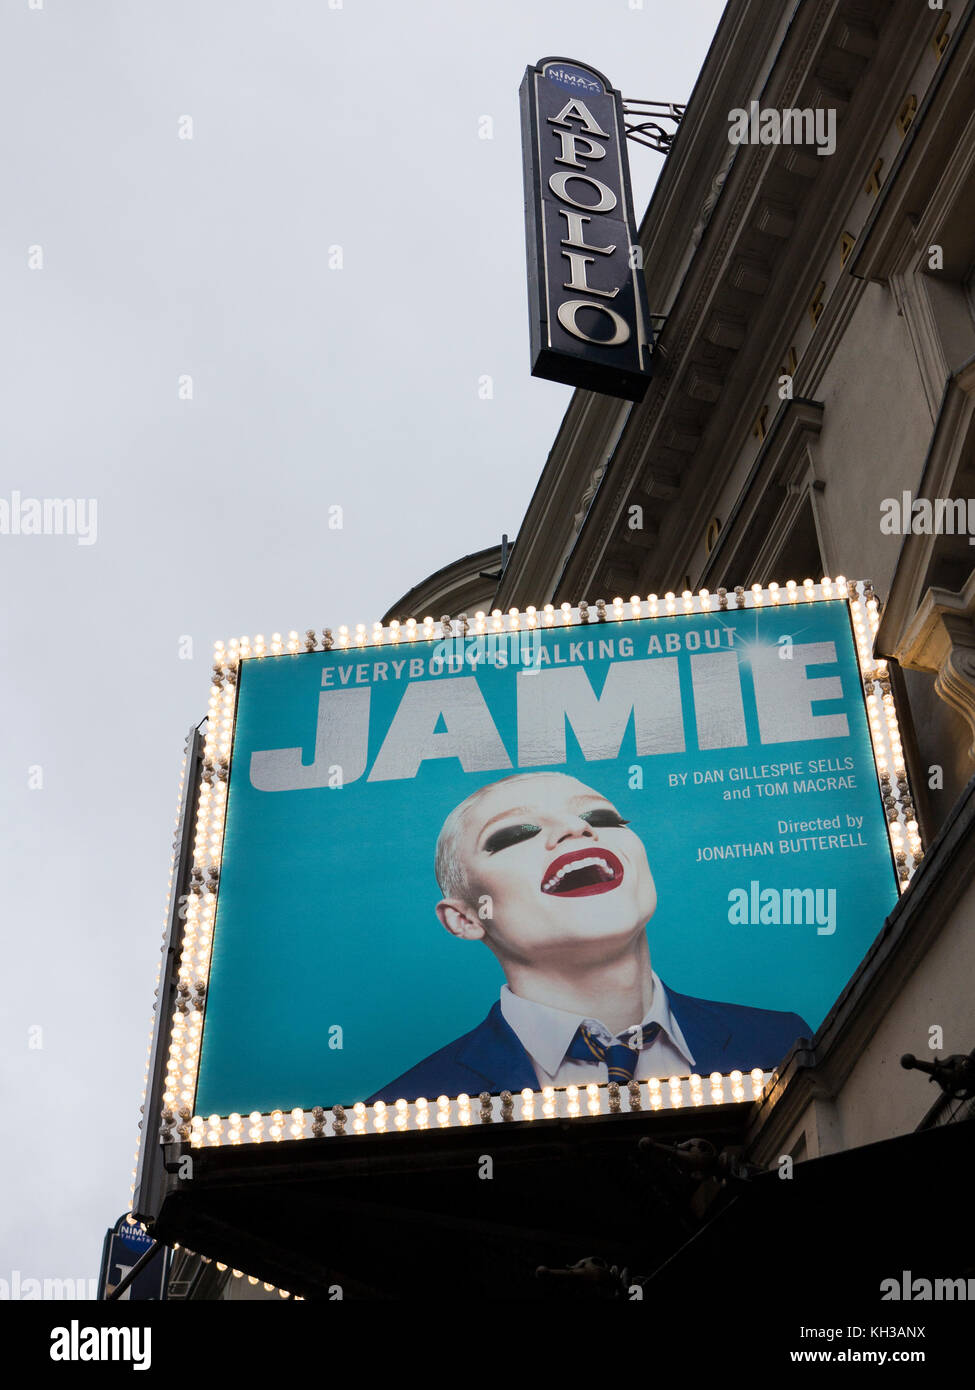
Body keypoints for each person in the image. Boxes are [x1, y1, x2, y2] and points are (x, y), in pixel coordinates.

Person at [368, 771, 811, 1103]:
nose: (577, 829)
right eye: (516, 834)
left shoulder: (779, 1041)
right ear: (464, 918)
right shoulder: (411, 1103)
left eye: (600, 817)